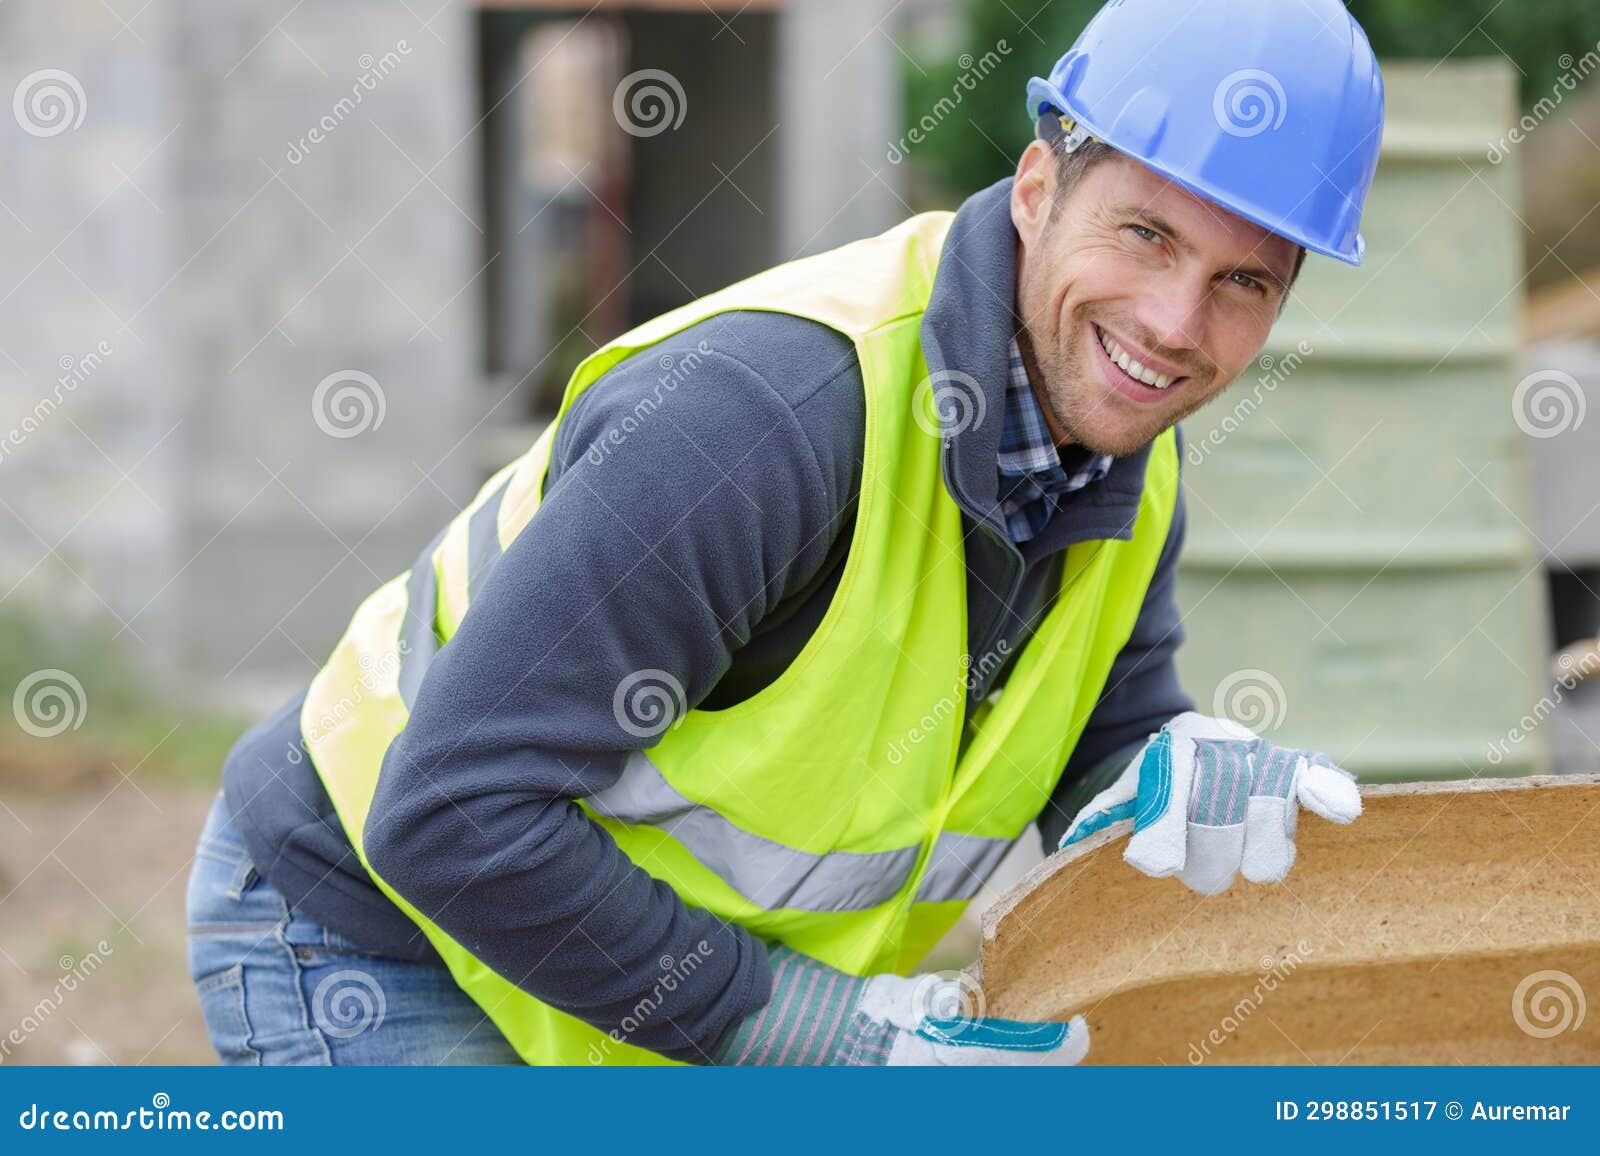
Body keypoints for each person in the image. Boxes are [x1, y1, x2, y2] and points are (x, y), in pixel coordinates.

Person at [186, 0, 1384, 1066]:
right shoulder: (770, 420)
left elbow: (1092, 725)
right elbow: (450, 813)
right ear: (1035, 190)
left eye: (1244, 283)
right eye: (1146, 236)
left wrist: (1162, 764)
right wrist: (812, 1030)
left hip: (618, 970)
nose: (1176, 324)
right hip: (367, 925)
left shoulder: (1127, 450)